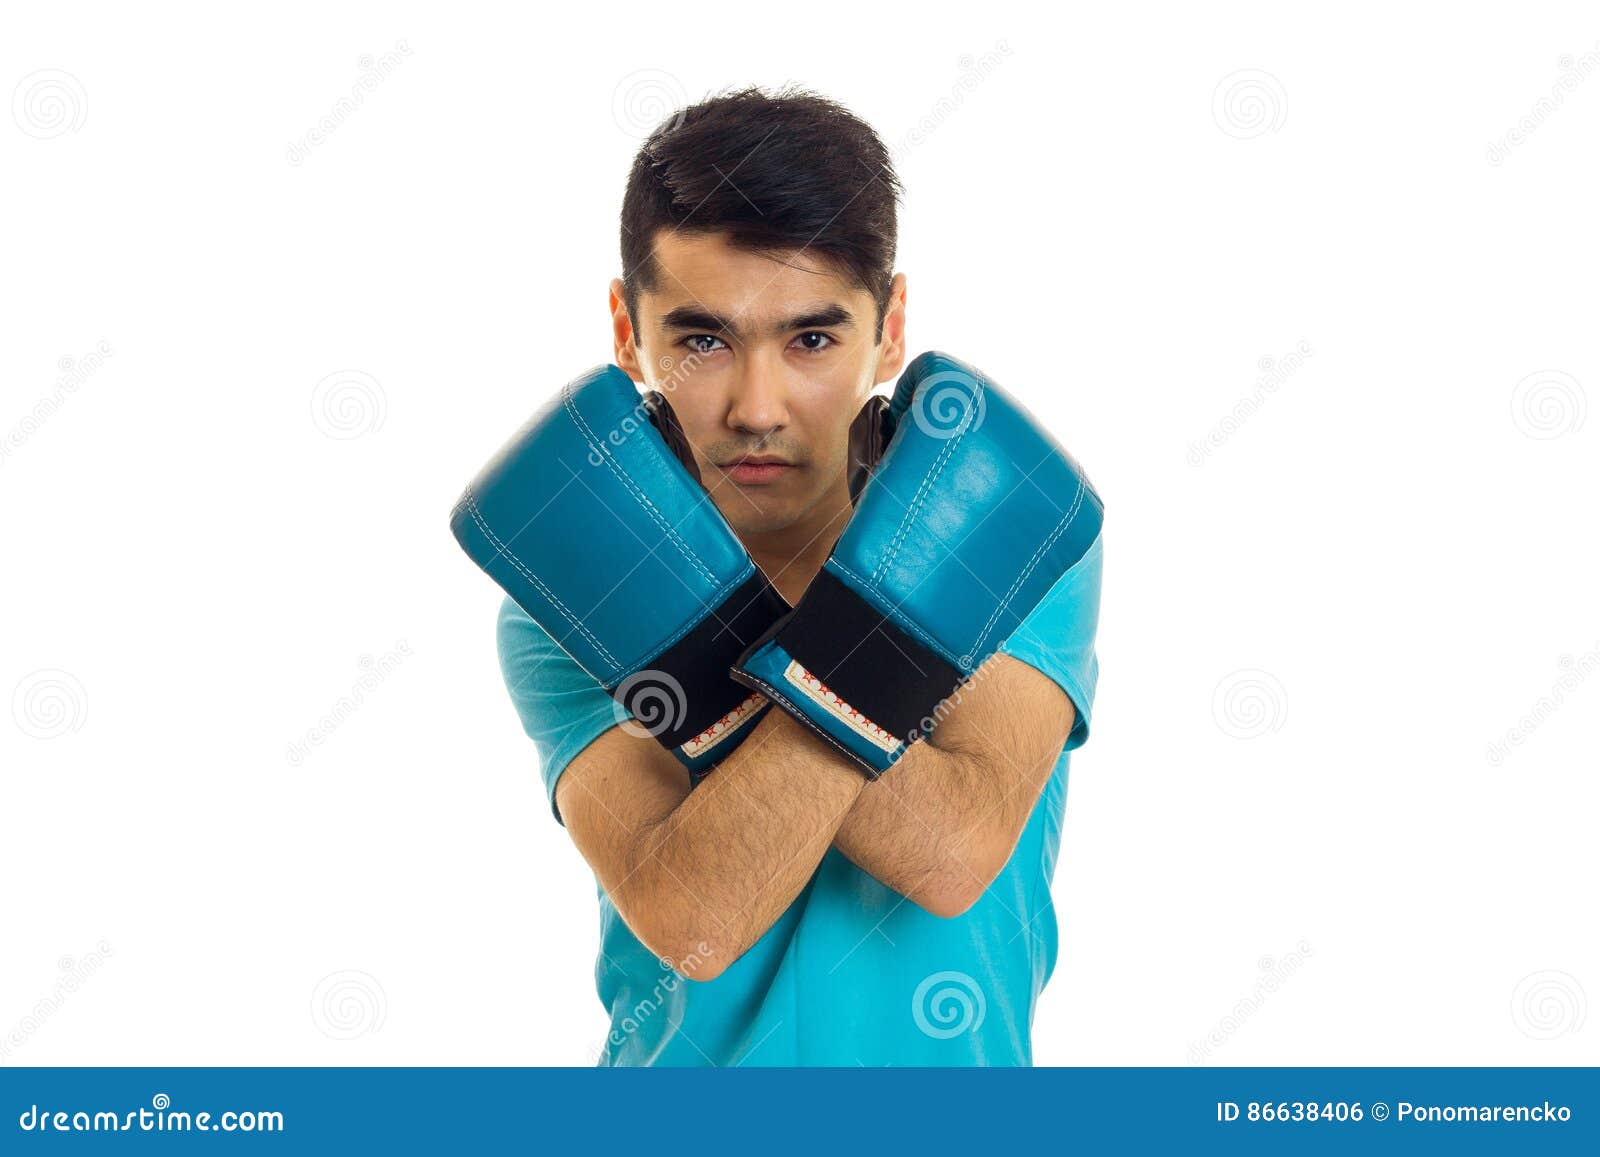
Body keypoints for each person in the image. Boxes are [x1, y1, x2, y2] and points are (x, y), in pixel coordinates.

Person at [488, 86, 1104, 1065]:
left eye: (811, 338)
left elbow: (949, 855)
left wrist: (727, 661)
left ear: (889, 326)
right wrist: (885, 637)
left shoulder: (1023, 545)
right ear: (624, 326)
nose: (756, 406)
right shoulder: (557, 602)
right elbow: (696, 914)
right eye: (702, 341)